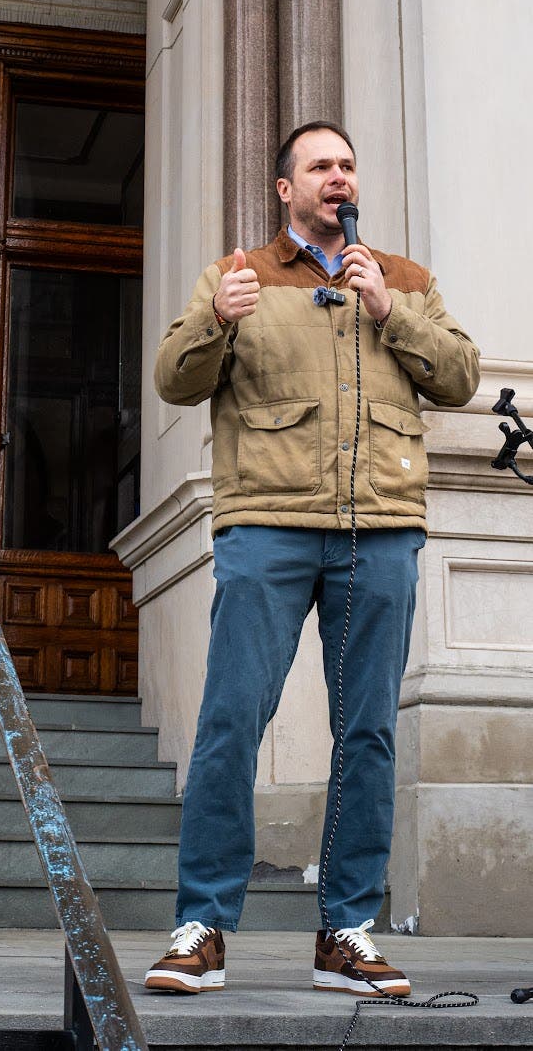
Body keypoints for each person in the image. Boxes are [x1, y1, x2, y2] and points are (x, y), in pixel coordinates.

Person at [145, 122, 479, 997]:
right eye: (320, 166)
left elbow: (459, 378)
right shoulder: (239, 275)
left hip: (381, 526)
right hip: (269, 524)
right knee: (231, 721)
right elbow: (175, 378)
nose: (339, 177)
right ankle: (203, 927)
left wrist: (389, 309)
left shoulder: (404, 279)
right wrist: (216, 321)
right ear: (286, 189)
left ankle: (346, 931)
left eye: (347, 165)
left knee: (367, 733)